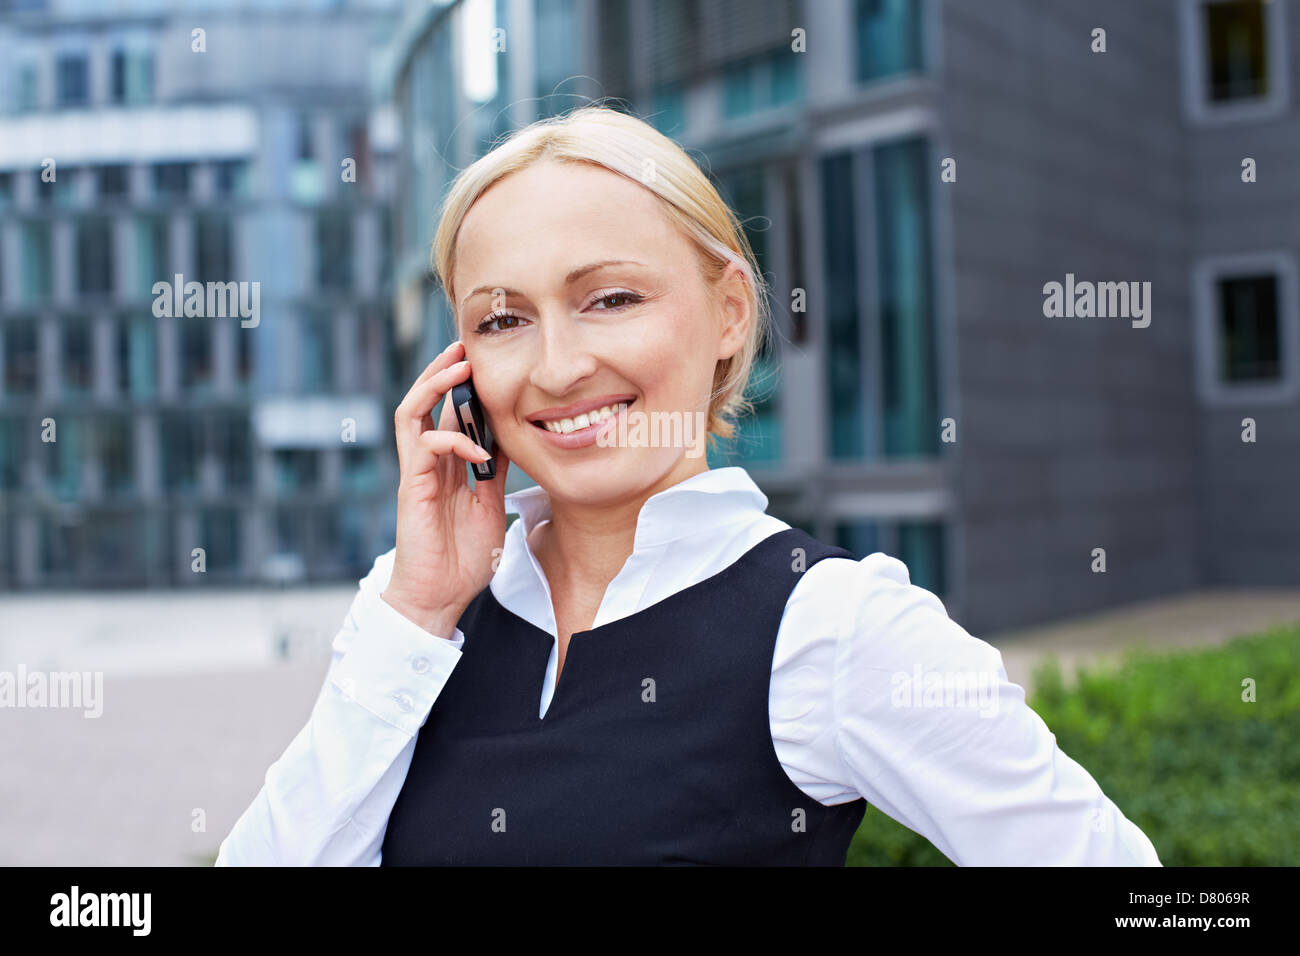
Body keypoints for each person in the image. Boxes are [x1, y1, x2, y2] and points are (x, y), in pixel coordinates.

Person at [215, 104, 1161, 866]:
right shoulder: (417, 616)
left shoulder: (828, 624)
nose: (556, 366)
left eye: (611, 299)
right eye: (504, 320)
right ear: (460, 366)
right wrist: (416, 612)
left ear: (728, 313)